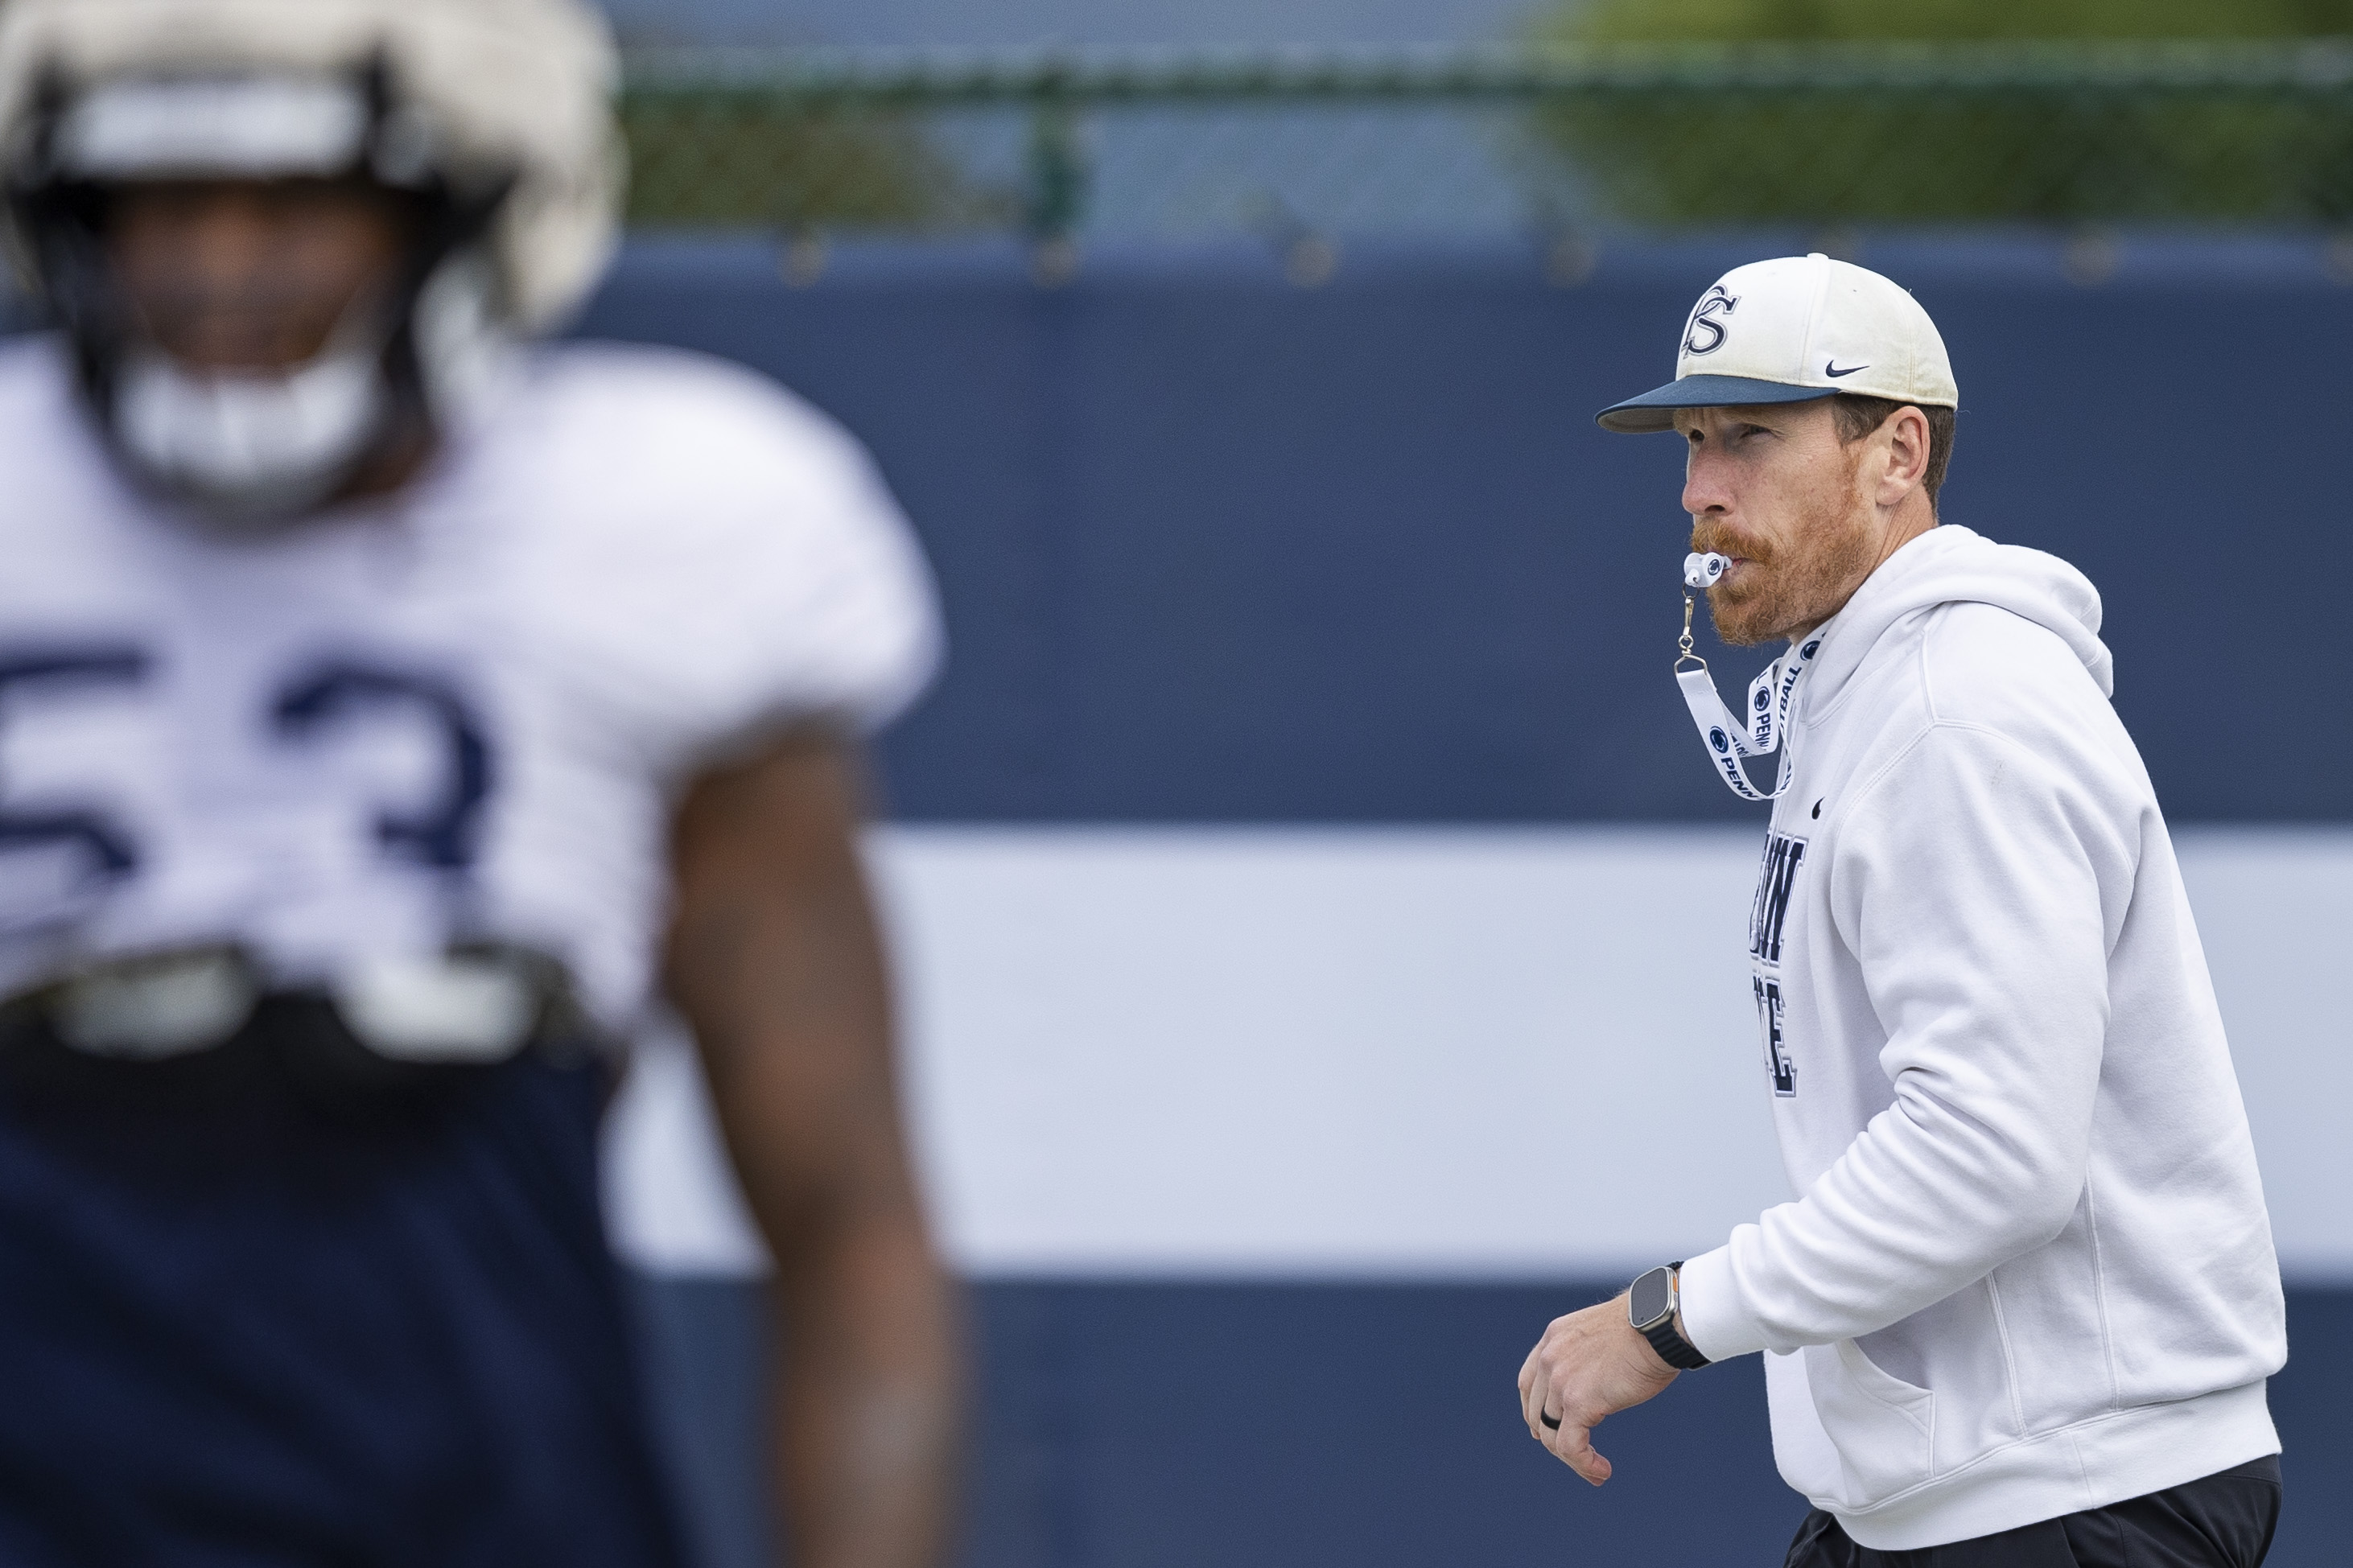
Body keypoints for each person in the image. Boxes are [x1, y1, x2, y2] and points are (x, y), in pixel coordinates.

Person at [0, 2, 961, 1565]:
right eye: (162, 202)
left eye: (293, 203)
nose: (216, 266)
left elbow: (847, 1229)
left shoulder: (664, 526)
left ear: (464, 208)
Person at [1516, 253, 2287, 1567]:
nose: (1701, 490)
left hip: (2066, 1492)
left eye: (1751, 435)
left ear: (1897, 454)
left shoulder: (1953, 714)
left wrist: (1670, 1317)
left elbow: (1990, 1152)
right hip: (1977, 1490)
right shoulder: (1877, 689)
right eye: (1694, 441)